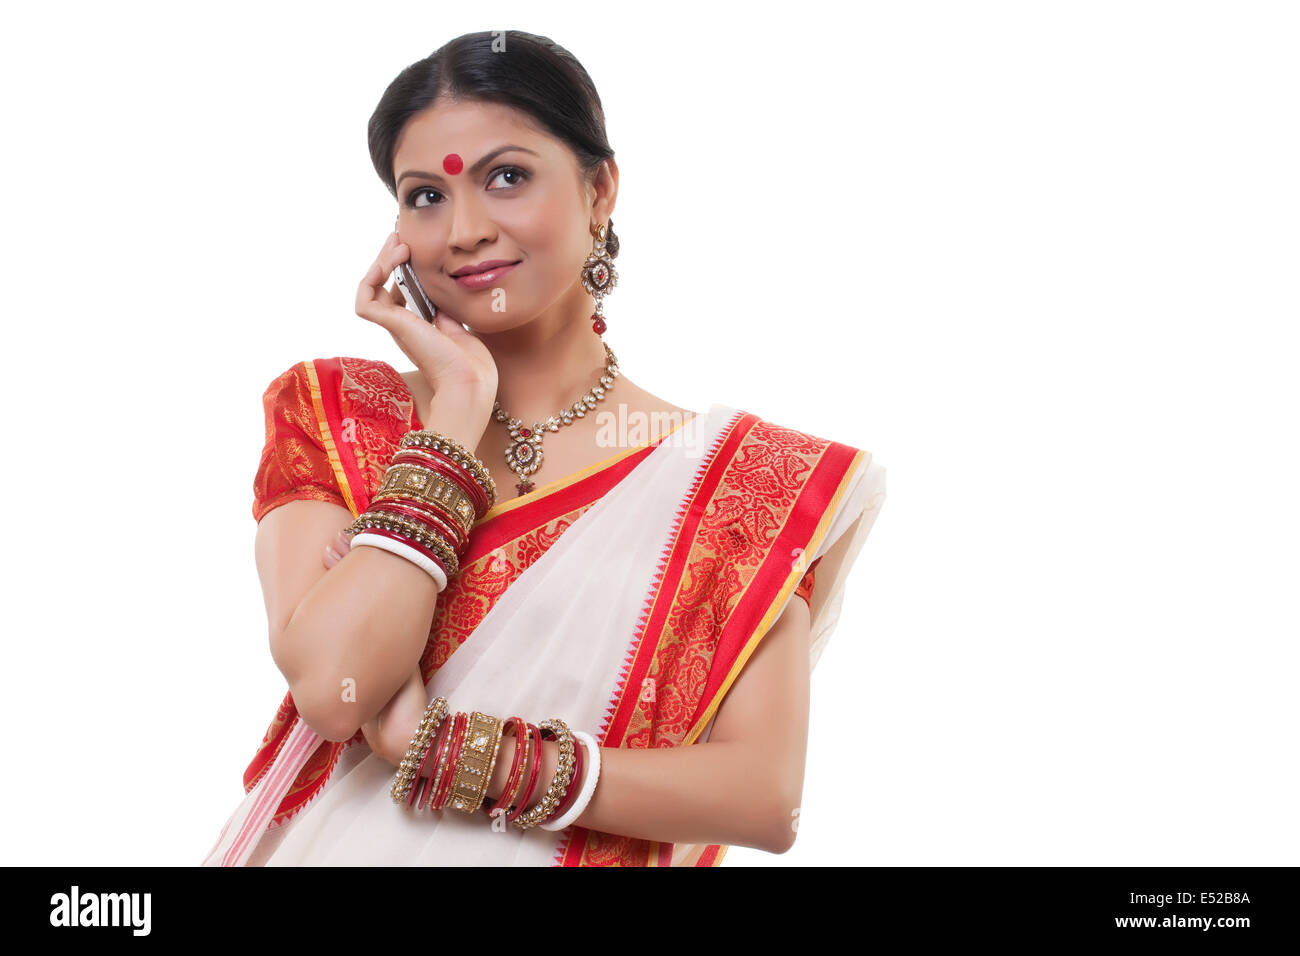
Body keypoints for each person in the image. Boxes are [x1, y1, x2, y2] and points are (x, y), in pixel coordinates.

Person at [202, 30, 887, 867]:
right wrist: (454, 417)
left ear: (600, 189)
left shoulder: (740, 482)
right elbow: (333, 690)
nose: (463, 230)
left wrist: (450, 749)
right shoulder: (344, 411)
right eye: (424, 197)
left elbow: (762, 797)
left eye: (507, 177)